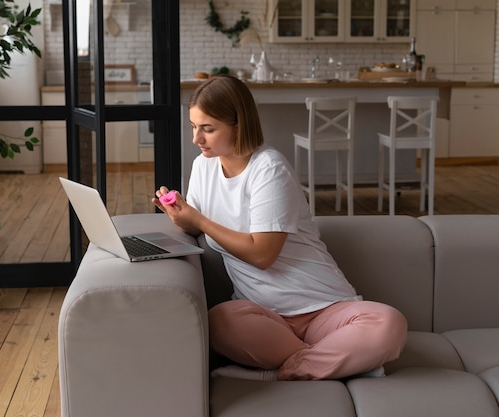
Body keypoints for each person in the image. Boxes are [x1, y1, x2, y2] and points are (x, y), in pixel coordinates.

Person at [152, 75, 407, 381]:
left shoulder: (269, 168)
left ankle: (281, 373)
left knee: (388, 323)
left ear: (238, 125)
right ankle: (332, 361)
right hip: (264, 316)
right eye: (194, 127)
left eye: (208, 128)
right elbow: (199, 231)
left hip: (324, 308)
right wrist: (182, 218)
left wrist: (199, 221)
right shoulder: (202, 167)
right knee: (219, 321)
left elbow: (263, 254)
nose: (197, 138)